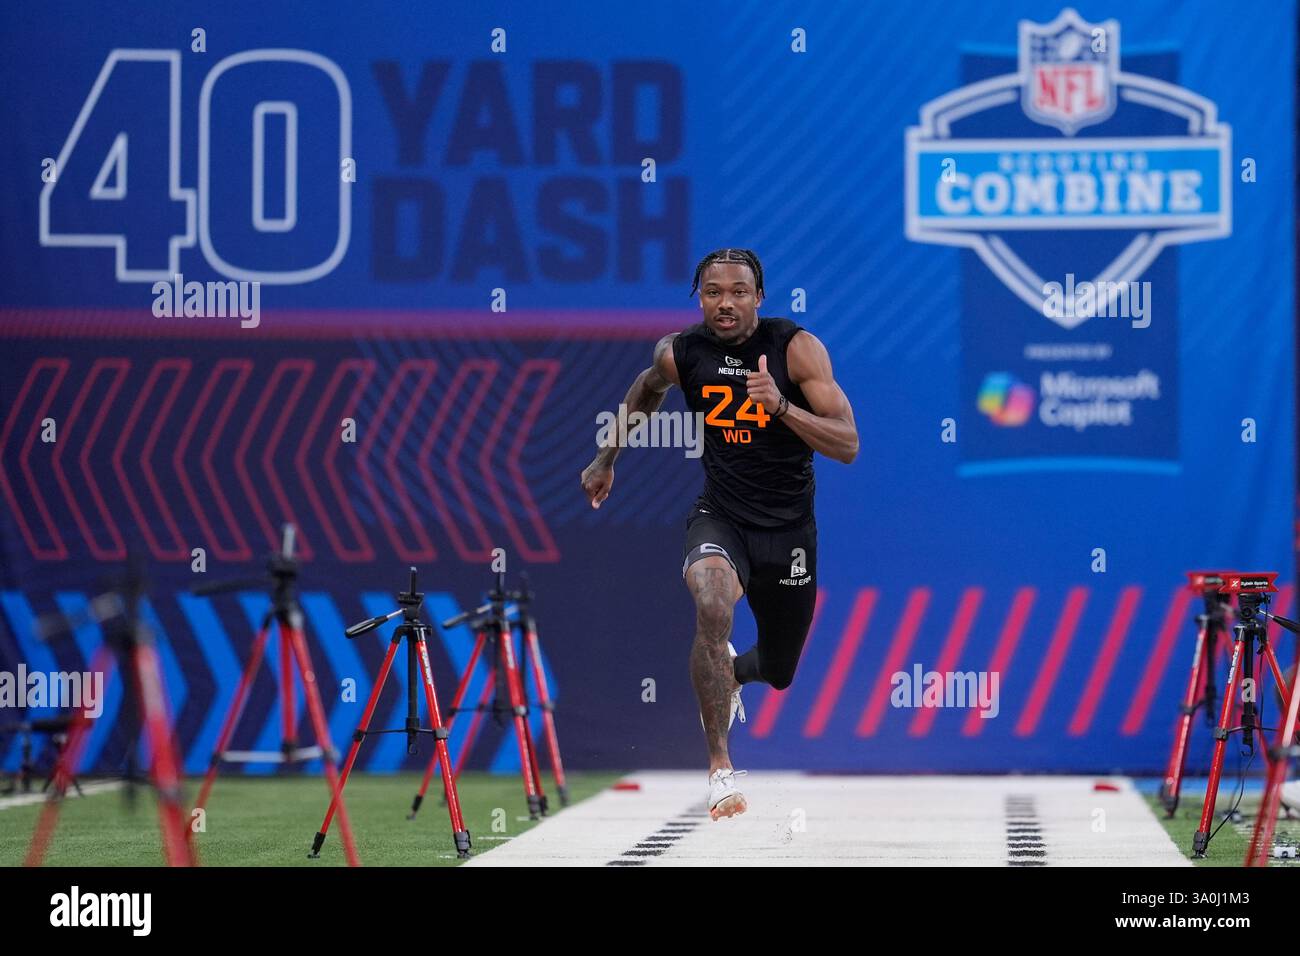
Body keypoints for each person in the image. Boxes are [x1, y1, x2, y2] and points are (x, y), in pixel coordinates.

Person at [581, 248, 858, 820]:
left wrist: (781, 406)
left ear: (759, 295)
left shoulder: (795, 348)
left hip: (788, 531)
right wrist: (607, 458)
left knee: (779, 671)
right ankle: (719, 770)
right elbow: (646, 388)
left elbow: (847, 443)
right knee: (710, 601)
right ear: (698, 297)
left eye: (737, 291)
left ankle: (732, 673)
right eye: (712, 292)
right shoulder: (682, 352)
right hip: (721, 516)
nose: (724, 303)